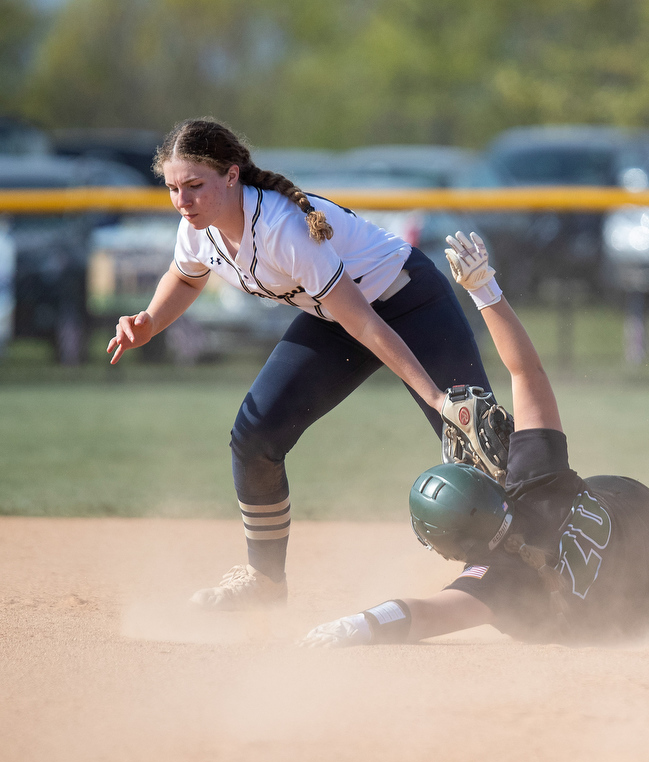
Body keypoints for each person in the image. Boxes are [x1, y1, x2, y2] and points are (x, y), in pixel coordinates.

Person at [301, 233, 649, 647]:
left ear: (451, 547)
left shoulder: (494, 583)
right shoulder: (534, 478)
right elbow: (527, 372)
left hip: (643, 585)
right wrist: (486, 290)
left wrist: (361, 625)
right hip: (637, 507)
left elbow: (424, 615)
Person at [107, 119, 495, 610]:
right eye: (173, 189)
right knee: (255, 435)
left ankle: (528, 559)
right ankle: (264, 581)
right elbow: (185, 279)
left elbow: (369, 326)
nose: (183, 201)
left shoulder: (280, 228)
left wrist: (438, 399)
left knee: (475, 437)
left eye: (194, 186)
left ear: (231, 176)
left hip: (410, 303)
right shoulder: (198, 230)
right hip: (334, 315)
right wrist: (148, 321)